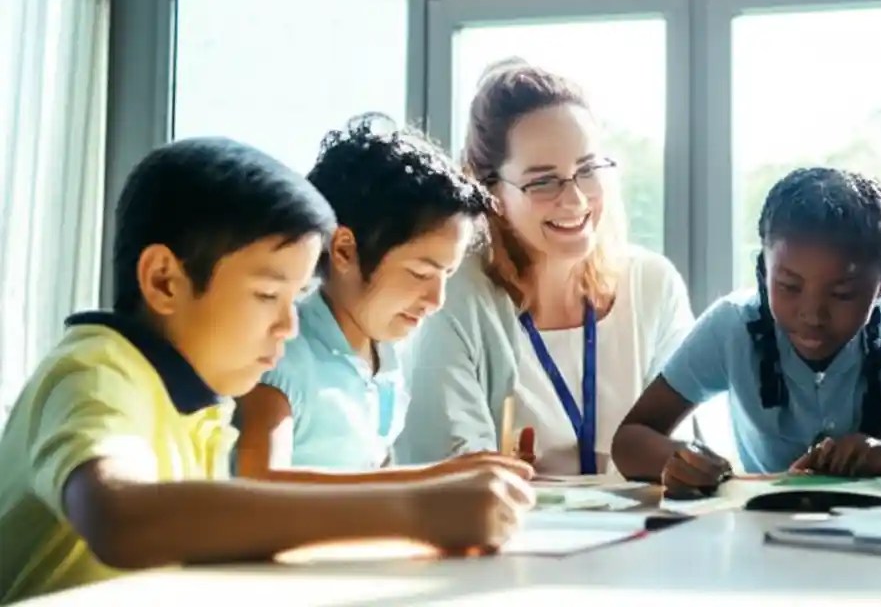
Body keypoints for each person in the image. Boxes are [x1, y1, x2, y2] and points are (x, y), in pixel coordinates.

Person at [0, 138, 532, 603]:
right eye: (267, 294)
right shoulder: (93, 371)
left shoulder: (198, 403)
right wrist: (415, 511)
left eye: (293, 296)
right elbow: (121, 517)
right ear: (164, 281)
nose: (288, 324)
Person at [396, 60, 694, 475]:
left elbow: (685, 456)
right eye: (543, 181)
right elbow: (451, 476)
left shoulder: (652, 285)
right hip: (512, 536)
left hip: (649, 533)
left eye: (588, 170)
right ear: (489, 191)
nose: (574, 200)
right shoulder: (454, 295)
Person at [235, 114, 520, 481]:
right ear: (343, 250)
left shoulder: (386, 362)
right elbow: (259, 486)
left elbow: (373, 478)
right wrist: (428, 481)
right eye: (420, 273)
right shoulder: (282, 355)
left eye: (446, 275)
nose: (436, 300)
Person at [611, 168, 881, 495]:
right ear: (763, 269)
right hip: (762, 526)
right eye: (789, 286)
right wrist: (675, 460)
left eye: (842, 294)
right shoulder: (733, 327)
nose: (812, 315)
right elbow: (630, 437)